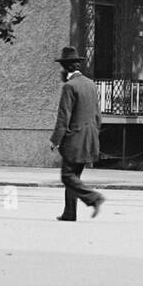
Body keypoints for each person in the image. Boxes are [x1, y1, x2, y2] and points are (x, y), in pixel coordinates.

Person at [49, 45, 105, 221]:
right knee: (74, 176)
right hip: (90, 137)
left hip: (74, 139)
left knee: (67, 176)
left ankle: (94, 198)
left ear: (66, 68)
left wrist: (55, 140)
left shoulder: (69, 86)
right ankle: (69, 212)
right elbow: (97, 115)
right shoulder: (90, 84)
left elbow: (63, 116)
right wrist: (95, 134)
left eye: (62, 67)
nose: (60, 71)